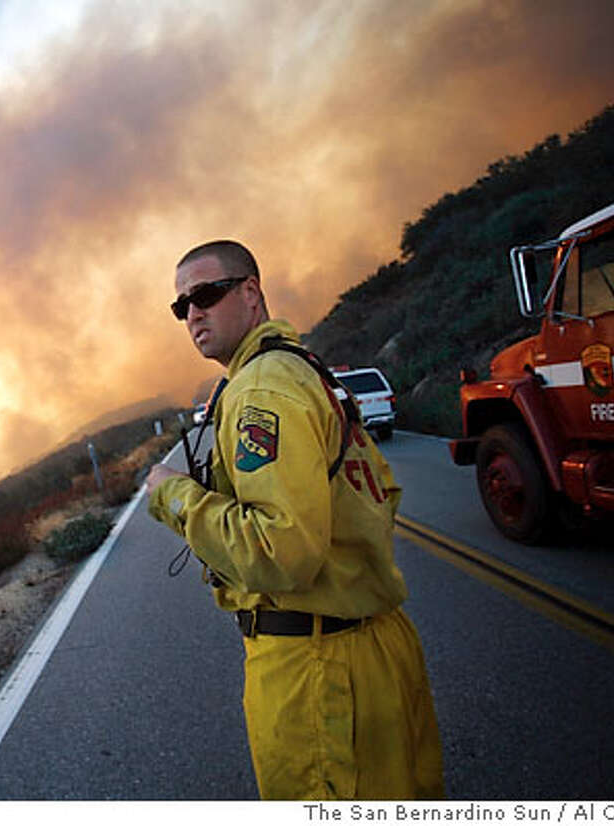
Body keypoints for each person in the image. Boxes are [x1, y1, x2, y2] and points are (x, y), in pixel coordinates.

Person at [145, 239, 444, 800]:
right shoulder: (307, 371)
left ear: (250, 292)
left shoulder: (261, 388)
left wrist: (175, 497)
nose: (193, 314)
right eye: (181, 306)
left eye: (205, 295)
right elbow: (383, 492)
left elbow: (280, 552)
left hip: (317, 670)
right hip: (377, 648)